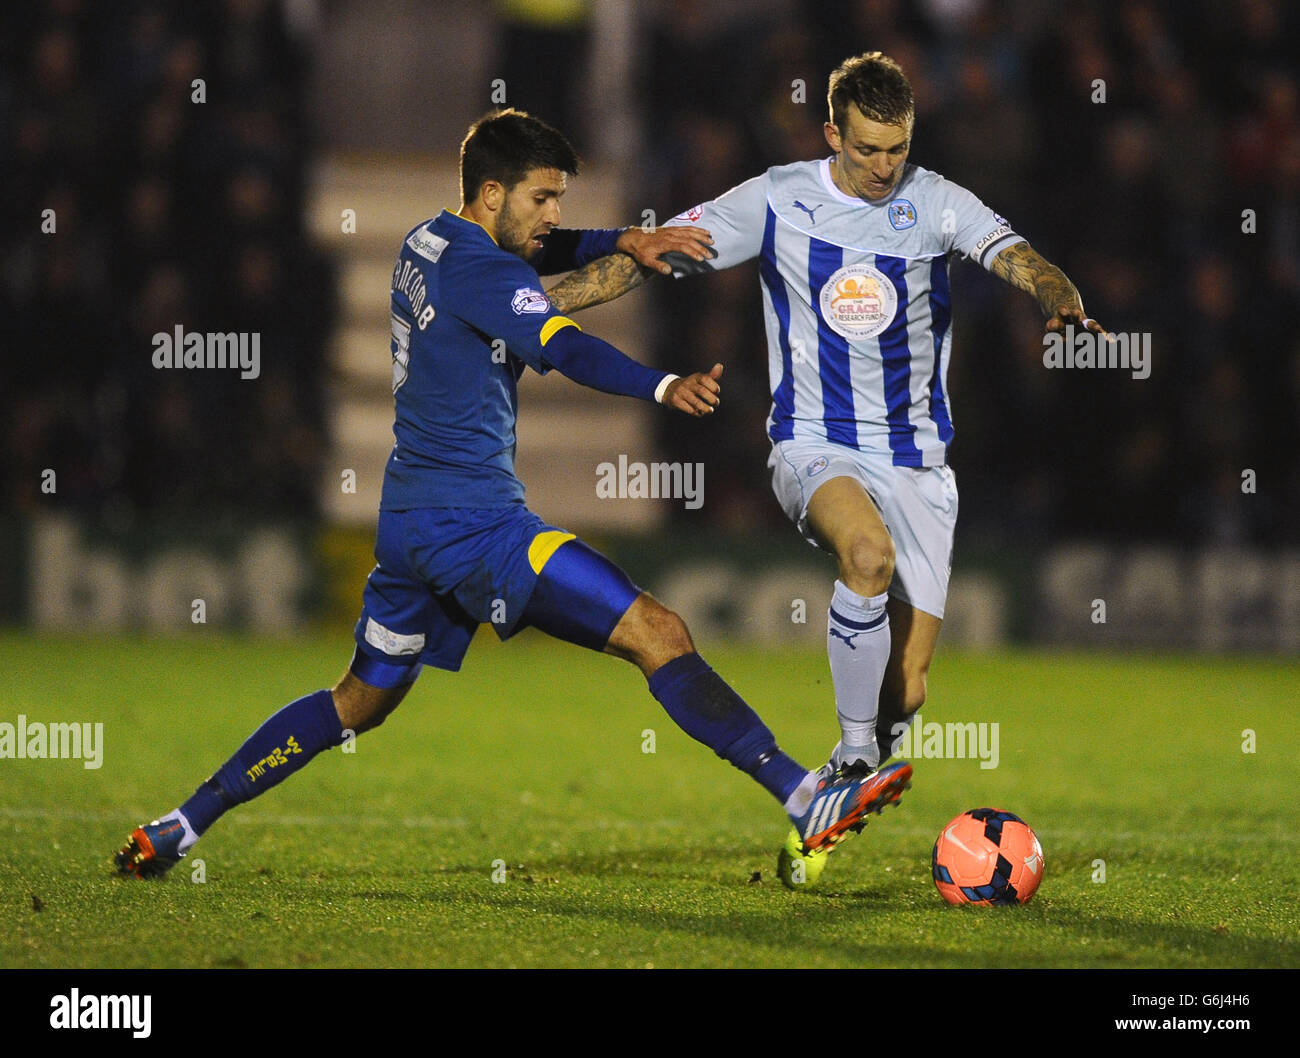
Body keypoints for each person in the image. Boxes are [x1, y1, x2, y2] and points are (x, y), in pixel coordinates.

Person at [114, 108, 912, 881]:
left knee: (357, 701)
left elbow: (539, 256)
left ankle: (182, 823)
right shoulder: (485, 269)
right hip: (478, 526)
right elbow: (563, 348)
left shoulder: (426, 242)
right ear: (492, 196)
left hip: (407, 521)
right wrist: (661, 383)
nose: (553, 215)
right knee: (656, 630)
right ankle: (803, 793)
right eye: (541, 197)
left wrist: (618, 241)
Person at [546, 53, 1108, 886]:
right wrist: (540, 305)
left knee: (908, 691)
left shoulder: (937, 201)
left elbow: (1018, 255)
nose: (885, 167)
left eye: (899, 149)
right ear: (832, 134)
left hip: (919, 464)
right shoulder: (776, 198)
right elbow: (650, 255)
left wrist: (1057, 293)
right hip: (814, 447)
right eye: (869, 149)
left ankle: (821, 817)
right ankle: (845, 769)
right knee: (867, 557)